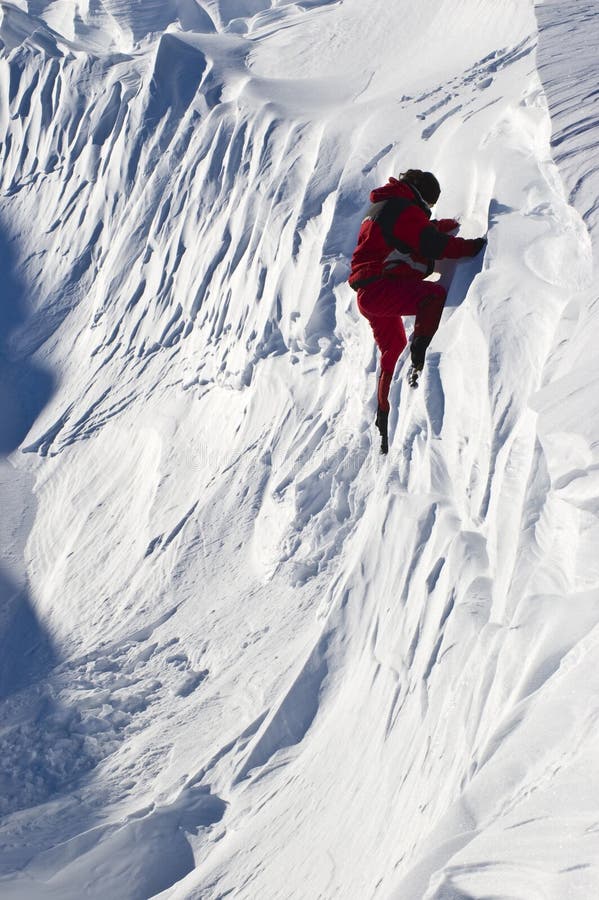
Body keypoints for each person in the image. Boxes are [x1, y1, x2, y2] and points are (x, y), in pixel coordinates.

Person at [349, 169, 486, 453]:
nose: (427, 211)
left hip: (368, 292)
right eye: (430, 206)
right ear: (423, 196)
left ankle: (383, 415)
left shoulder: (385, 204)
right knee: (432, 296)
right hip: (380, 287)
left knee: (393, 346)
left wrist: (439, 225)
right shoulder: (403, 208)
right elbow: (430, 243)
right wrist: (473, 247)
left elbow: (413, 231)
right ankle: (420, 357)